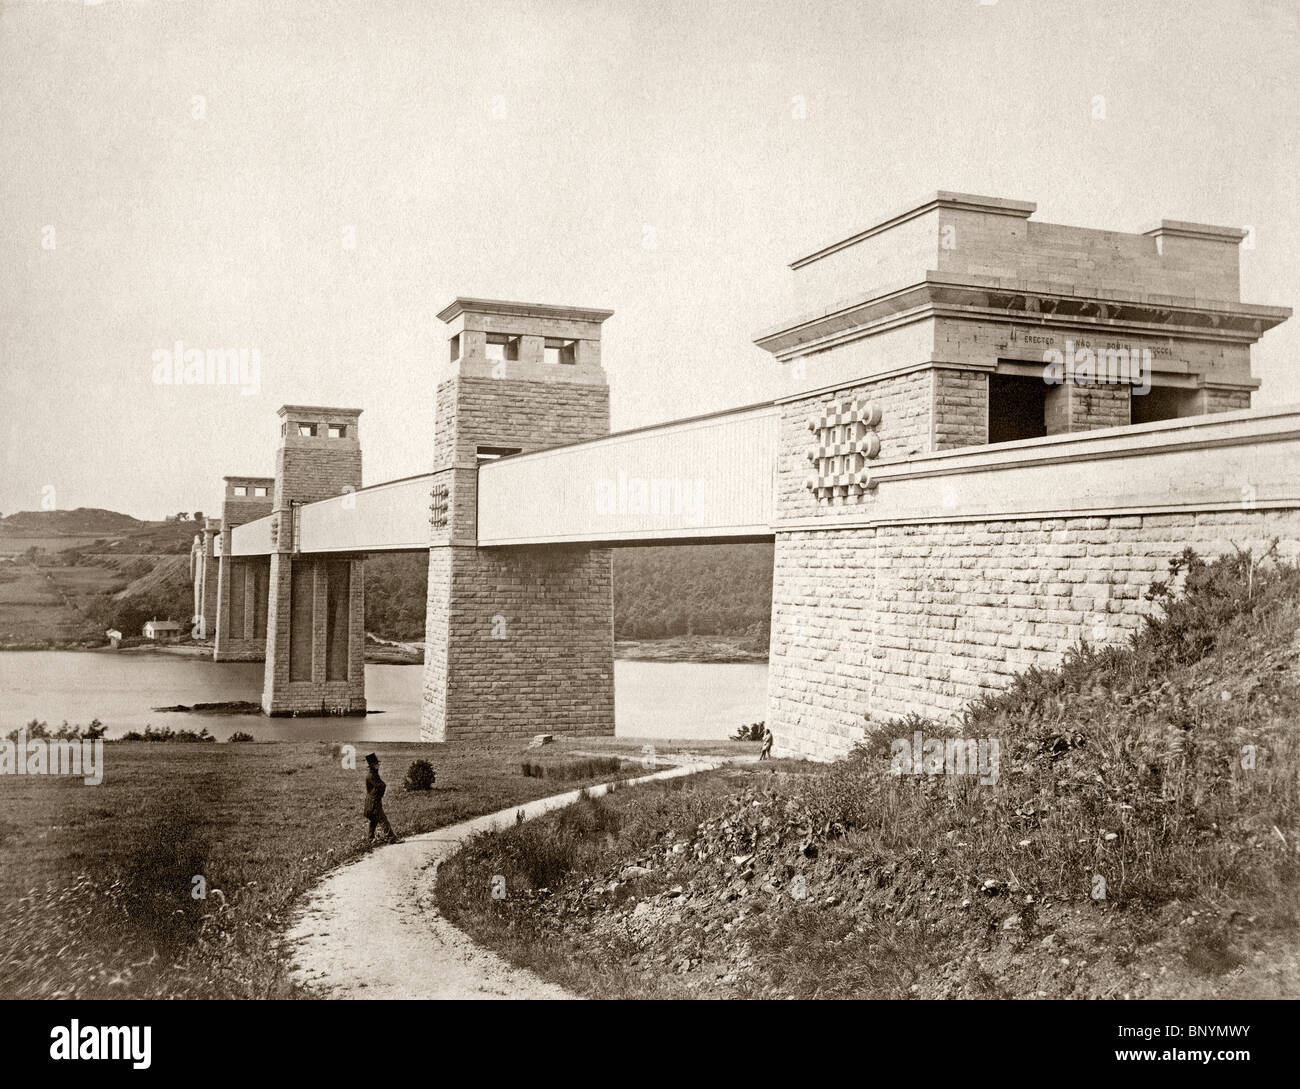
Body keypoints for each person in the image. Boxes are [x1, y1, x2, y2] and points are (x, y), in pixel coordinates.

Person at [363, 752, 401, 846]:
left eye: (378, 763)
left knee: (374, 820)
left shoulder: (373, 774)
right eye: (376, 764)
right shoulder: (372, 776)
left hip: (372, 801)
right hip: (373, 802)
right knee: (382, 819)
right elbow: (381, 785)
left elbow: (380, 786)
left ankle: (370, 839)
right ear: (372, 765)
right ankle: (391, 838)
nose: (378, 765)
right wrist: (380, 792)